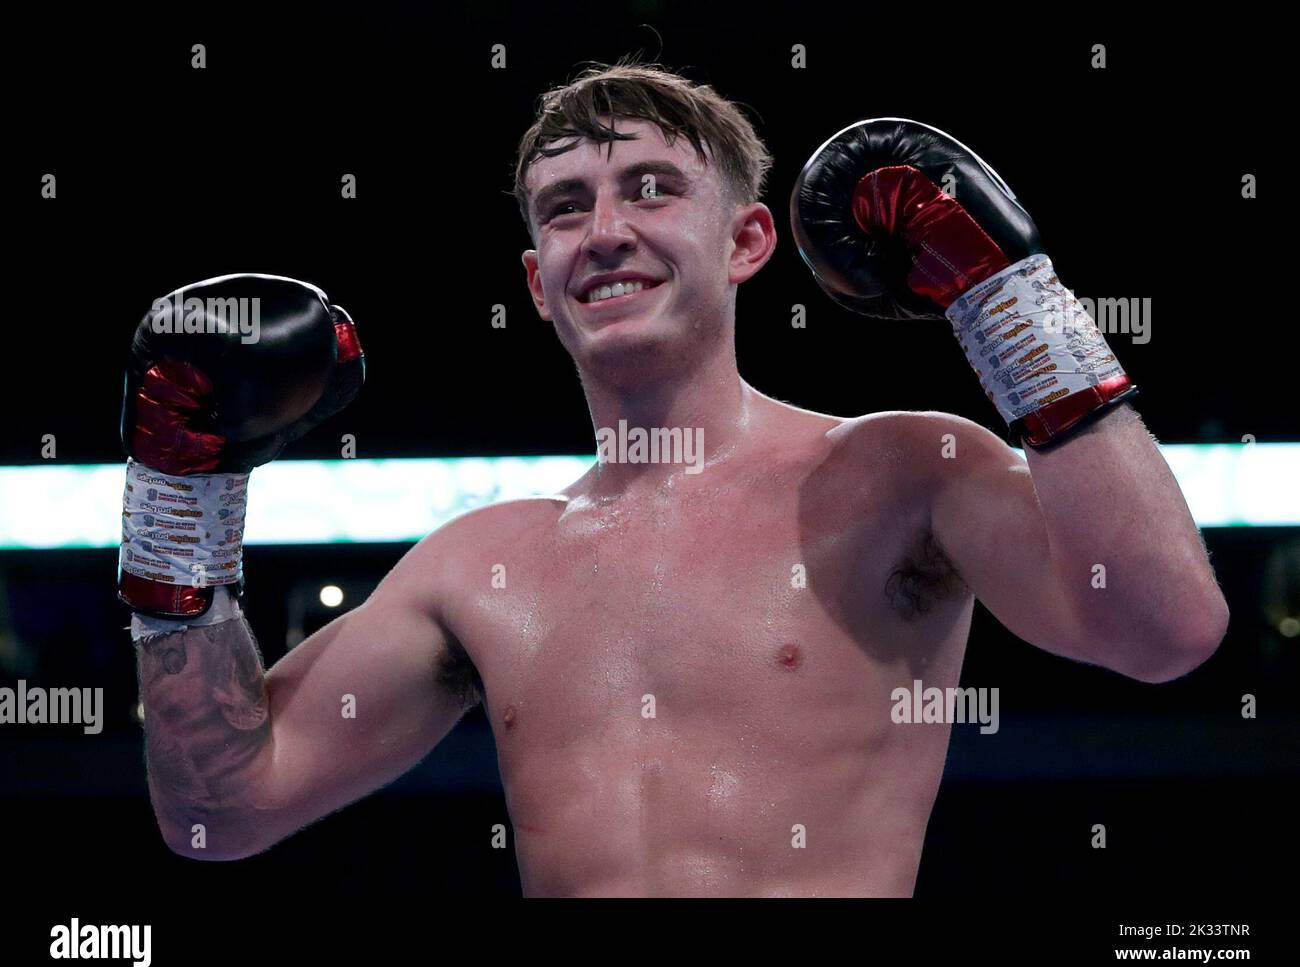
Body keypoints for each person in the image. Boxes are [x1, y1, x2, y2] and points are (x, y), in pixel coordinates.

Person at [124, 60, 1228, 896]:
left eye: (649, 189)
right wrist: (180, 498)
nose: (604, 232)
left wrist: (1008, 301)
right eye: (565, 208)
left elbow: (1162, 627)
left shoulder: (898, 471)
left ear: (748, 239)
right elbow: (221, 810)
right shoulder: (480, 562)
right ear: (537, 281)